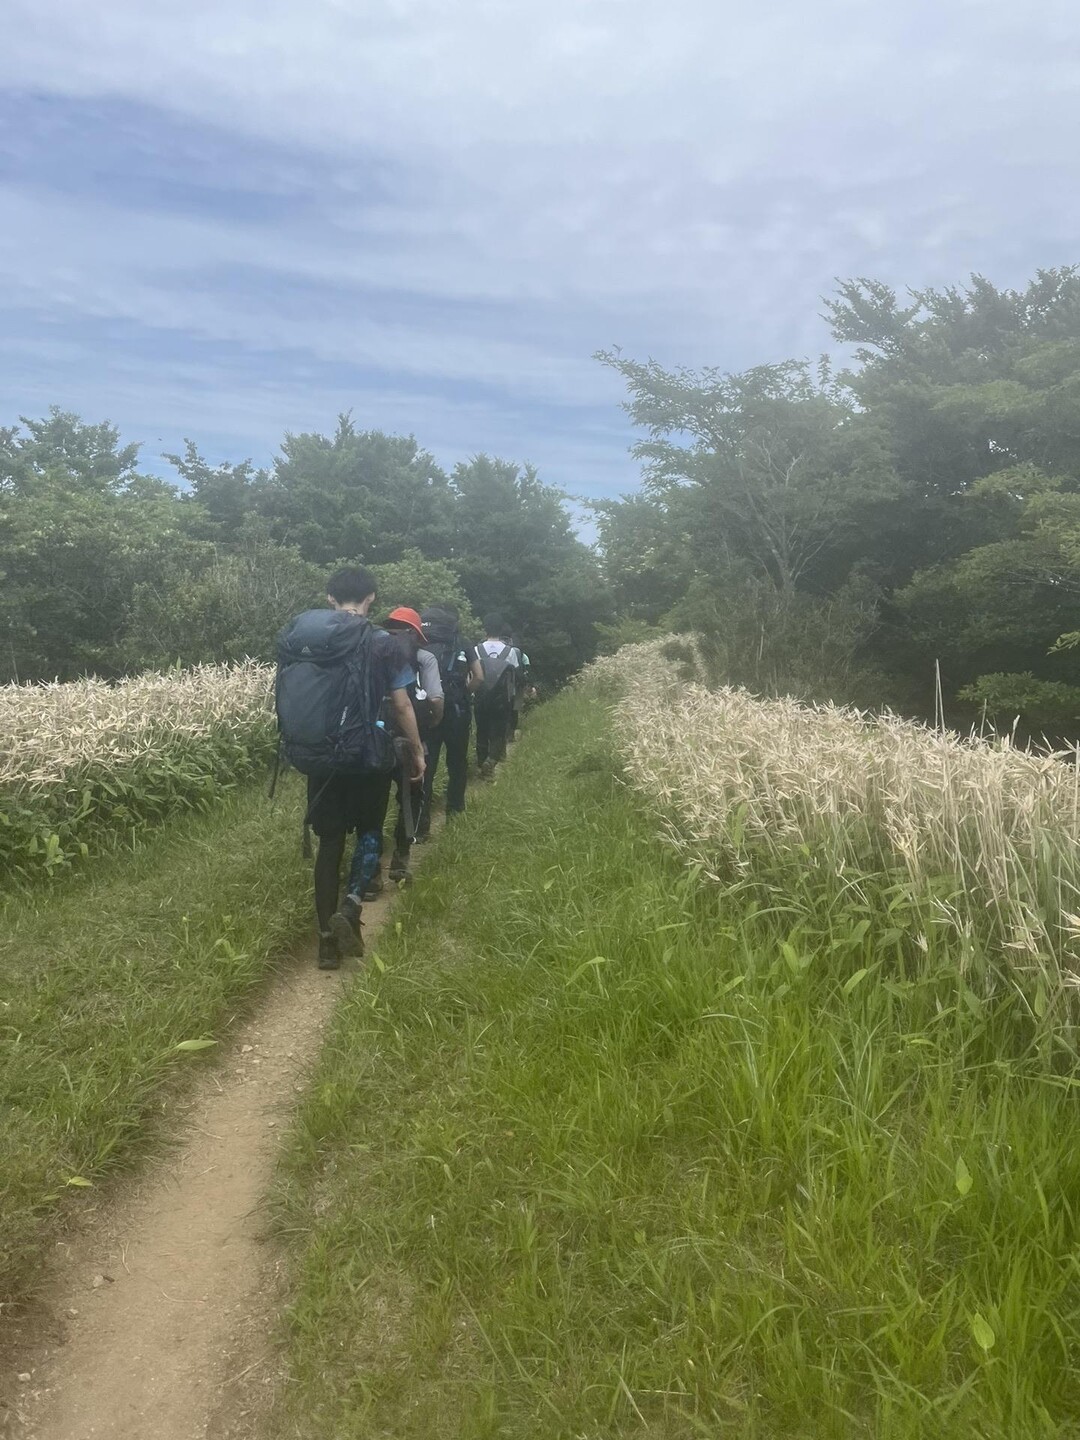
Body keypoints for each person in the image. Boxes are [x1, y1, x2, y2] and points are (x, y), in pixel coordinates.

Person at [284, 567, 424, 970]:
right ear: (372, 598)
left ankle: (326, 946)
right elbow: (401, 704)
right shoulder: (383, 643)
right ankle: (350, 906)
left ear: (330, 599)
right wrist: (417, 752)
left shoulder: (308, 640)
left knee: (329, 846)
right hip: (368, 757)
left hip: (321, 758)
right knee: (367, 834)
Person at [371, 606, 444, 889]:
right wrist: (429, 730)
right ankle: (401, 861)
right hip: (410, 739)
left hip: (372, 739)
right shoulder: (424, 656)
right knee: (410, 798)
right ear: (415, 633)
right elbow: (435, 699)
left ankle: (370, 873)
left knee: (372, 804)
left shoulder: (370, 650)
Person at [417, 605, 483, 834]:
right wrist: (464, 693)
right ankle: (454, 813)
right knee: (457, 762)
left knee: (427, 764)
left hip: (427, 710)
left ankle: (420, 824)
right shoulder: (462, 642)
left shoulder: (422, 640)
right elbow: (479, 677)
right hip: (457, 710)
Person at [473, 614, 520, 776]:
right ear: (501, 629)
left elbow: (472, 675)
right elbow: (515, 676)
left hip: (480, 697)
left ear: (484, 628)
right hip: (502, 699)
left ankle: (481, 763)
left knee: (482, 730)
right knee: (498, 730)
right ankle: (491, 761)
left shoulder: (476, 650)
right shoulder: (510, 651)